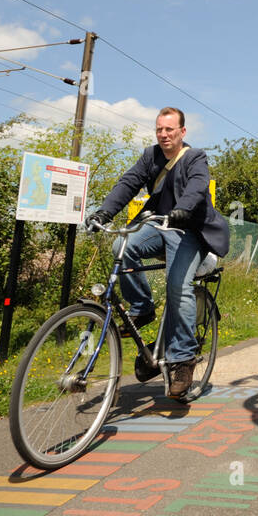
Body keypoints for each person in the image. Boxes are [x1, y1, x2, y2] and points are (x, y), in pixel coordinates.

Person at [85, 107, 230, 398]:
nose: (164, 135)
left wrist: (182, 210)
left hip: (188, 229)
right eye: (159, 129)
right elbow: (128, 183)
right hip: (158, 225)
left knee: (178, 285)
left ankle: (183, 359)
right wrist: (103, 213)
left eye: (170, 130)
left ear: (182, 132)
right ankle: (142, 308)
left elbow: (198, 187)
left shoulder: (195, 157)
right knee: (122, 246)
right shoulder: (150, 156)